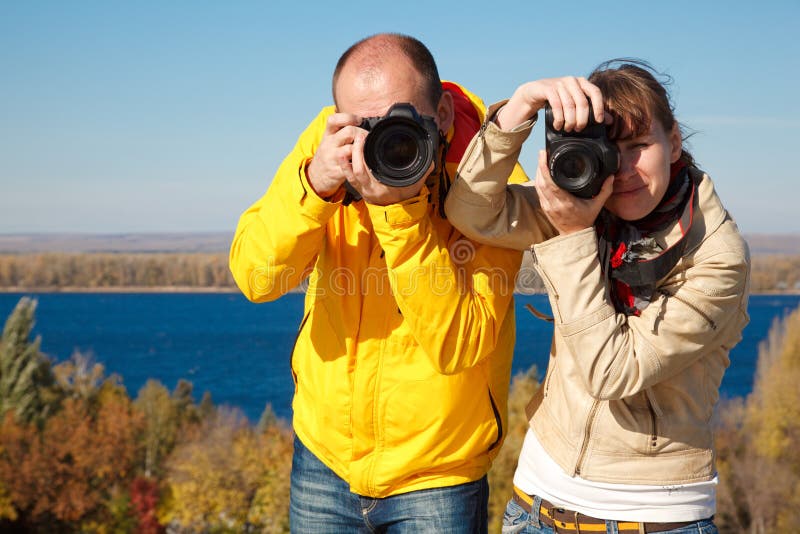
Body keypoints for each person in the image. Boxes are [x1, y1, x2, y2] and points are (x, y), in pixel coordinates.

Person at [229, 33, 551, 533]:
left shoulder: (491, 179)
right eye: (363, 127)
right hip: (324, 458)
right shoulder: (330, 141)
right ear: (341, 117)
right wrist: (314, 183)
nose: (382, 145)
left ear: (442, 113)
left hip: (437, 476)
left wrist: (395, 213)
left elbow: (460, 345)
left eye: (401, 127)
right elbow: (256, 277)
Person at [445, 60, 750, 534]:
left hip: (652, 517)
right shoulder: (587, 204)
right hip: (536, 504)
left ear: (675, 144)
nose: (623, 170)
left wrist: (571, 235)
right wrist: (521, 106)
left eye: (638, 146)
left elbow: (613, 371)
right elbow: (470, 212)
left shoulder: (716, 256)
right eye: (609, 149)